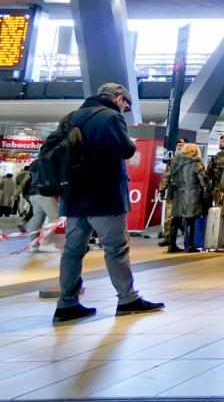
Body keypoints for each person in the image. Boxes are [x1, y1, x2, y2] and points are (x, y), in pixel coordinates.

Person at [54, 82, 164, 323]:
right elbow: (125, 149)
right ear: (117, 97)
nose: (126, 108)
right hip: (103, 194)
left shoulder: (71, 117)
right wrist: (132, 143)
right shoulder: (110, 117)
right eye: (127, 103)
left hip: (74, 196)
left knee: (72, 251)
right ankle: (128, 299)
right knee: (116, 248)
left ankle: (67, 304)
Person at [161, 143, 210, 253]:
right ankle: (190, 246)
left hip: (178, 193)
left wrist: (162, 189)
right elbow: (203, 180)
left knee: (175, 219)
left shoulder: (174, 161)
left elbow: (166, 176)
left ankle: (171, 245)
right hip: (192, 193)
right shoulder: (196, 163)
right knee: (190, 219)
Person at [23, 160, 61, 253]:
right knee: (55, 217)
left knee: (37, 219)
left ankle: (33, 244)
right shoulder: (48, 161)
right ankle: (47, 243)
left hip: (33, 194)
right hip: (44, 193)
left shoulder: (35, 163)